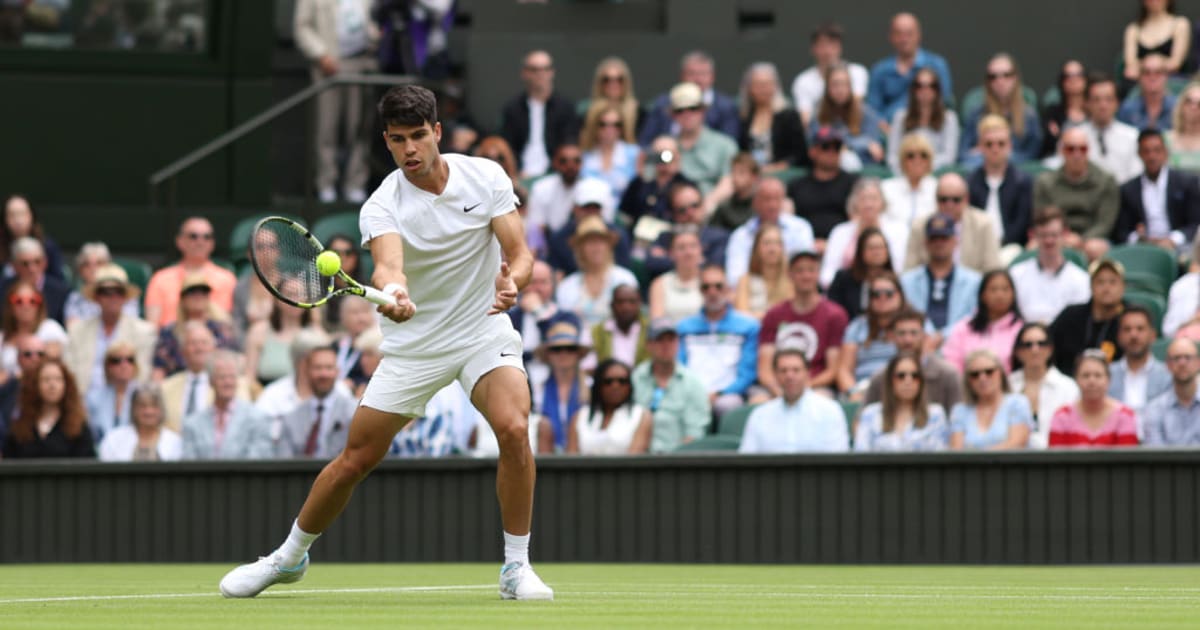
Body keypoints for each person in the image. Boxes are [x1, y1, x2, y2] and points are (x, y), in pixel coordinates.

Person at [220, 85, 554, 601]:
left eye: (419, 136)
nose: (410, 150)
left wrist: (515, 282)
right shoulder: (382, 205)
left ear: (437, 132)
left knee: (513, 427)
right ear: (387, 142)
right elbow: (390, 266)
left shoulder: (485, 176)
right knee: (356, 459)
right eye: (398, 140)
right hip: (415, 346)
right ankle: (288, 558)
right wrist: (393, 292)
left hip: (482, 330)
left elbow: (520, 252)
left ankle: (516, 568)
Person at [293, 0, 377, 203]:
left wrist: (377, 36)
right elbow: (302, 27)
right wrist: (321, 54)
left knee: (359, 127)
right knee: (326, 128)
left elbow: (376, 21)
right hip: (328, 67)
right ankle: (326, 184)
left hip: (362, 63)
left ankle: (355, 184)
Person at [757, 251, 848, 395]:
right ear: (790, 275)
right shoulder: (774, 315)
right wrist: (777, 389)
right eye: (800, 271)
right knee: (757, 401)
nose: (806, 276)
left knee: (823, 400)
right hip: (778, 387)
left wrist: (804, 389)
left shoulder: (835, 315)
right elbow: (765, 369)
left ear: (818, 274)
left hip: (816, 386)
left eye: (811, 270)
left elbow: (832, 370)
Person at [676, 264, 761, 417]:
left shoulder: (748, 326)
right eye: (706, 287)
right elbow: (679, 368)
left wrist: (721, 394)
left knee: (728, 406)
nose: (712, 292)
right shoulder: (684, 327)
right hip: (691, 393)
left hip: (728, 395)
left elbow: (747, 373)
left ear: (728, 289)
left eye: (718, 286)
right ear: (700, 291)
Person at [63, 264, 155, 396]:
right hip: (83, 401)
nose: (112, 298)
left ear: (125, 297)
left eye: (118, 292)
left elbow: (143, 376)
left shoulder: (144, 332)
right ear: (96, 297)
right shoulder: (77, 331)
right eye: (105, 292)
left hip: (128, 403)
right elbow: (70, 373)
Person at [1033, 127, 1120, 261]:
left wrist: (1081, 240)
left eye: (1082, 149)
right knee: (1033, 247)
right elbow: (1042, 218)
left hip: (1093, 238)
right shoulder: (1046, 182)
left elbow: (1105, 223)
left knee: (1094, 248)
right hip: (1054, 236)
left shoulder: (1105, 181)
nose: (1077, 154)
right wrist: (1062, 237)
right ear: (1062, 151)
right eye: (1070, 149)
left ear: (1088, 151)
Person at [738, 348, 848, 453]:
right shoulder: (759, 415)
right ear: (775, 374)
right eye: (783, 370)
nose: (790, 376)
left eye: (796, 370)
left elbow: (838, 459)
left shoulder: (830, 410)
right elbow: (746, 458)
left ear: (807, 372)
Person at [631, 318, 710, 452]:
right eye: (660, 340)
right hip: (637, 459)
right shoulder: (635, 378)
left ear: (678, 343)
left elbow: (695, 434)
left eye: (671, 339)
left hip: (679, 461)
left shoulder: (693, 383)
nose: (666, 345)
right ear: (648, 345)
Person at [899, 214, 982, 342]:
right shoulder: (907, 281)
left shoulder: (974, 280)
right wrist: (929, 336)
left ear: (955, 241)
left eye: (944, 238)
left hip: (960, 344)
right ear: (926, 242)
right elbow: (906, 314)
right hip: (918, 344)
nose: (939, 243)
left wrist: (943, 336)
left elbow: (973, 317)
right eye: (934, 238)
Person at [863, 307, 962, 413]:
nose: (907, 340)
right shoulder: (881, 377)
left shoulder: (948, 375)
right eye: (902, 333)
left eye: (913, 333)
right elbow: (861, 418)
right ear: (892, 337)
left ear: (924, 336)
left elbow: (958, 420)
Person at [1113, 129, 1200, 248]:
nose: (1152, 156)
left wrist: (1173, 239)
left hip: (1180, 246)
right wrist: (1138, 238)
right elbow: (1121, 231)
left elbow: (1195, 223)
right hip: (1143, 248)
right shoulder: (1128, 189)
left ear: (1165, 152)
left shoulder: (1186, 183)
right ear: (1139, 154)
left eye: (1157, 150)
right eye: (1146, 151)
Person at [143, 217, 237, 328]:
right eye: (193, 236)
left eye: (207, 237)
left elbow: (233, 324)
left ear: (213, 243)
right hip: (172, 341)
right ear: (180, 241)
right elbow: (151, 326)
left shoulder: (228, 279)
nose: (200, 242)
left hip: (216, 341)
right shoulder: (160, 279)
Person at [179, 351, 273, 460]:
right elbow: (189, 465)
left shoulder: (257, 419)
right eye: (222, 377)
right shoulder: (193, 424)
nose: (227, 382)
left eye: (232, 377)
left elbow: (258, 460)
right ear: (211, 381)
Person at [500, 49, 578, 178]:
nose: (540, 74)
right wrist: (514, 173)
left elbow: (568, 144)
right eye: (534, 70)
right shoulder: (513, 109)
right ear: (524, 73)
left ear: (552, 72)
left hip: (556, 176)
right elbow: (507, 146)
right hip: (518, 175)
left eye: (545, 69)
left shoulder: (565, 108)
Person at [726, 177, 815, 288]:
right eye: (766, 199)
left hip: (791, 292)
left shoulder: (801, 228)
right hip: (753, 293)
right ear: (754, 202)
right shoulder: (740, 235)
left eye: (777, 199)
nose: (772, 205)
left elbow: (806, 269)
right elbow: (734, 279)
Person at [1009, 206, 1092, 324]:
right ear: (1032, 235)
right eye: (1043, 235)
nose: (1049, 241)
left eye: (1054, 235)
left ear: (1065, 234)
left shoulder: (1081, 279)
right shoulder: (1016, 274)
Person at [638, 50, 740, 146]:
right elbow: (645, 142)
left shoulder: (726, 107)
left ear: (712, 76)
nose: (698, 79)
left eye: (703, 73)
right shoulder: (663, 103)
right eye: (692, 73)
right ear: (682, 76)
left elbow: (730, 144)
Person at [904, 173, 1001, 273]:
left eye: (956, 200)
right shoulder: (920, 226)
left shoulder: (983, 224)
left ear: (966, 199)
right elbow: (909, 270)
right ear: (936, 200)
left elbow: (992, 269)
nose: (949, 205)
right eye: (943, 199)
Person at [554, 215, 638, 328]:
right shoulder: (567, 286)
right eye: (590, 242)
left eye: (601, 242)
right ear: (580, 249)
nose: (596, 247)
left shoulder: (625, 279)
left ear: (608, 246)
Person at [866, 12, 954, 121]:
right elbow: (873, 111)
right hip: (888, 132)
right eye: (899, 34)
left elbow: (944, 102)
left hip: (928, 128)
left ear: (919, 35)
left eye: (909, 34)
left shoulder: (937, 65)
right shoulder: (880, 70)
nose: (904, 39)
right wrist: (886, 130)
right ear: (891, 36)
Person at [854, 352, 949, 452]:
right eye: (901, 376)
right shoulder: (870, 414)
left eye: (915, 376)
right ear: (890, 381)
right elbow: (861, 455)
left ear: (921, 381)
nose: (908, 381)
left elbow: (939, 457)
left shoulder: (935, 414)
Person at [822, 177, 906, 289]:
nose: (868, 204)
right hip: (847, 290)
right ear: (854, 203)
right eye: (863, 199)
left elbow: (900, 269)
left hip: (887, 291)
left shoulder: (898, 230)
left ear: (882, 202)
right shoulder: (840, 232)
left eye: (873, 198)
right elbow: (827, 273)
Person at [960, 53, 1041, 167]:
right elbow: (963, 154)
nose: (1000, 81)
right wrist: (985, 153)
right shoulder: (976, 115)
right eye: (993, 76)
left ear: (1015, 78)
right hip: (980, 170)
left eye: (1006, 75)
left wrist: (1006, 155)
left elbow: (1034, 155)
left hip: (1017, 173)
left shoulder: (1029, 115)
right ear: (987, 82)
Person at [277, 344, 358, 459]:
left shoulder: (355, 413)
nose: (323, 374)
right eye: (318, 368)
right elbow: (283, 462)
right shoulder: (291, 419)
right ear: (306, 371)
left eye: (329, 368)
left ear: (337, 371)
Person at [1, 358, 93, 458]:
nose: (52, 385)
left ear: (66, 385)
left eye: (58, 379)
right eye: (46, 379)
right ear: (35, 385)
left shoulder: (78, 427)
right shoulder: (20, 426)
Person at [966, 115, 1034, 250]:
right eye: (989, 144)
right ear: (980, 146)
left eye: (1001, 143)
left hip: (1012, 249)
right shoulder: (969, 183)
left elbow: (1022, 226)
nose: (995, 149)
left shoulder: (1023, 183)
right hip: (976, 249)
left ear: (1010, 146)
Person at [1008, 322, 1081, 450]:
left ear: (1050, 349)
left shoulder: (1068, 387)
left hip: (1058, 458)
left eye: (1041, 344)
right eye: (1028, 345)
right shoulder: (1007, 385)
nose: (1035, 350)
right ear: (1018, 351)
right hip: (1013, 458)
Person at [1050, 259, 1128, 373]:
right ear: (1091, 286)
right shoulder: (1070, 316)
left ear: (1123, 287)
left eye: (1112, 282)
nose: (1106, 288)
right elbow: (1047, 343)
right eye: (1100, 282)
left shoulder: (1130, 321)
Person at [1047, 350, 1140, 447]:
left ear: (1108, 380)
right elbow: (1055, 459)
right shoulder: (1062, 416)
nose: (1092, 381)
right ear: (1076, 379)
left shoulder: (1125, 416)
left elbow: (1128, 459)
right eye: (1085, 375)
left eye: (1098, 375)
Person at [151, 275, 237, 379]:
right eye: (192, 292)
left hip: (214, 384)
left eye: (203, 292)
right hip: (178, 386)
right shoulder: (170, 333)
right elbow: (159, 369)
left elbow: (232, 362)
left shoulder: (222, 330)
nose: (198, 296)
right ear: (183, 298)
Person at [786, 126, 858, 247]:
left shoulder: (853, 183)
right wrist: (808, 244)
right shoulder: (796, 186)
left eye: (837, 148)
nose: (832, 152)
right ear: (812, 151)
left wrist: (832, 245)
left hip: (843, 248)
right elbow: (789, 223)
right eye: (825, 147)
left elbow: (857, 222)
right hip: (803, 248)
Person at [835, 271, 905, 397]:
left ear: (900, 295)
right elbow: (844, 370)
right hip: (863, 390)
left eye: (889, 294)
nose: (882, 298)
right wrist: (854, 393)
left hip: (902, 388)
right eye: (876, 294)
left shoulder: (914, 323)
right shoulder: (857, 326)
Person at [545, 177, 631, 276]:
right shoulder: (559, 239)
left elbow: (623, 272)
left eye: (596, 208)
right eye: (586, 207)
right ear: (575, 208)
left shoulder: (619, 236)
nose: (591, 213)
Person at [949, 349, 1033, 450]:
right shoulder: (960, 411)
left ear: (1000, 373)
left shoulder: (1017, 403)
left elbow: (1016, 443)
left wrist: (978, 458)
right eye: (975, 374)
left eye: (989, 372)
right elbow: (956, 452)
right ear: (968, 380)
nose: (982, 378)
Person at [942, 270, 1024, 372]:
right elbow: (952, 364)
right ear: (982, 295)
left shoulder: (1022, 330)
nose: (1000, 295)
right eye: (993, 290)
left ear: (1013, 294)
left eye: (1005, 289)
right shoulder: (964, 328)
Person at [665, 81, 739, 194]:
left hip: (715, 208)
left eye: (693, 108)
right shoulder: (665, 146)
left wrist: (705, 208)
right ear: (673, 115)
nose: (687, 114)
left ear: (703, 111)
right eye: (679, 110)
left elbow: (728, 183)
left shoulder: (725, 145)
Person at [565, 359, 651, 455]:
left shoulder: (640, 415)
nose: (615, 386)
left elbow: (634, 457)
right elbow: (571, 456)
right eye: (608, 382)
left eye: (622, 381)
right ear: (598, 385)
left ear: (630, 386)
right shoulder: (580, 416)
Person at [737, 62, 809, 172]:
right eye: (758, 85)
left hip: (780, 173)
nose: (763, 90)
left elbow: (800, 154)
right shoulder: (743, 116)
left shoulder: (789, 116)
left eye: (768, 84)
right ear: (749, 88)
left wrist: (778, 167)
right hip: (750, 174)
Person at [791, 22, 869, 125]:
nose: (827, 51)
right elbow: (805, 119)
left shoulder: (858, 72)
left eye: (832, 45)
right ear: (813, 49)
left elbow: (856, 109)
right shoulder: (802, 81)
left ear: (840, 47)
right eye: (822, 45)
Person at [811, 63, 885, 168]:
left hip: (863, 168)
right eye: (835, 84)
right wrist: (861, 144)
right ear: (827, 87)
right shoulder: (818, 115)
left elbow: (875, 148)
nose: (840, 89)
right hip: (829, 167)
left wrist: (845, 145)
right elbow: (818, 146)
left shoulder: (866, 112)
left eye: (844, 84)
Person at [886, 67, 959, 172]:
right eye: (919, 86)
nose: (925, 91)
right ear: (913, 90)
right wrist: (907, 169)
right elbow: (892, 156)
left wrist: (922, 166)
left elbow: (949, 157)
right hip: (903, 176)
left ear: (937, 90)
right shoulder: (900, 117)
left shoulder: (949, 119)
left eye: (931, 86)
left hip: (936, 176)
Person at [532, 318, 589, 453]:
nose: (564, 354)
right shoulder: (536, 388)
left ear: (578, 354)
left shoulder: (590, 386)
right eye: (556, 349)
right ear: (548, 355)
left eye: (570, 349)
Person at [526, 143, 605, 238]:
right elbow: (536, 226)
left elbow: (605, 225)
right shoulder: (541, 188)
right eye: (563, 161)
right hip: (551, 242)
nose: (570, 166)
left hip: (588, 239)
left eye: (576, 161)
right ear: (554, 163)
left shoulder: (597, 188)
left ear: (582, 163)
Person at [244, 293, 323, 385]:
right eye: (289, 294)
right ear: (277, 299)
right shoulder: (259, 331)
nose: (295, 299)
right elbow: (249, 376)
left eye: (300, 294)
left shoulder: (318, 336)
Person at [1108, 305, 1171, 419]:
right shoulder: (1107, 375)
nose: (1134, 335)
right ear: (1119, 336)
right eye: (1127, 329)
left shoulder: (1168, 375)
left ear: (1153, 335)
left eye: (1140, 329)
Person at [619, 136, 694, 226]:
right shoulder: (640, 183)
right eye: (658, 155)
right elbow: (624, 214)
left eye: (667, 155)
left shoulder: (686, 185)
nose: (663, 159)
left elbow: (691, 216)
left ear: (677, 155)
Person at [97, 383, 182, 462]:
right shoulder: (113, 439)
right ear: (133, 409)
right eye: (142, 406)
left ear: (161, 409)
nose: (148, 411)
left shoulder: (175, 442)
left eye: (154, 405)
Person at [1081, 75, 1142, 184]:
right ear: (1087, 103)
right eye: (1096, 100)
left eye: (1109, 99)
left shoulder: (1133, 137)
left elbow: (1136, 176)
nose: (1103, 105)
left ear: (1117, 103)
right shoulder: (1075, 137)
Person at [63, 242, 139, 328]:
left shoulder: (125, 293)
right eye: (87, 264)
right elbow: (74, 330)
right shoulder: (75, 299)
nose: (93, 269)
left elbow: (130, 327)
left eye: (99, 263)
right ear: (80, 270)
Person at [0, 280, 66, 376]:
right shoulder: (2, 338)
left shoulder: (50, 329)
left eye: (33, 301)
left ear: (40, 304)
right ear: (10, 306)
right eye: (18, 301)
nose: (26, 306)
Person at [826, 227, 895, 320]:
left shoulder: (895, 281)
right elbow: (832, 309)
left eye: (880, 247)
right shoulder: (844, 279)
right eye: (871, 248)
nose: (877, 252)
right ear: (861, 251)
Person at [1142, 336, 1200, 445]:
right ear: (1167, 365)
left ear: (1198, 363)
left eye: (1188, 357)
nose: (1182, 363)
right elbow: (1156, 456)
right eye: (1177, 358)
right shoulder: (1154, 409)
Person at [0, 237, 68, 325]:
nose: (32, 268)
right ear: (14, 266)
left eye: (37, 262)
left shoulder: (62, 292)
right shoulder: (3, 288)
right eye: (25, 263)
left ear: (45, 262)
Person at [579, 104, 641, 200]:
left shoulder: (635, 154)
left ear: (622, 127)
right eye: (603, 124)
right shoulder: (583, 155)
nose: (610, 130)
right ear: (594, 126)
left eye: (616, 125)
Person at [82, 341, 140, 443]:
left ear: (135, 366)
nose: (124, 365)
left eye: (130, 360)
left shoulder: (144, 397)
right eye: (116, 361)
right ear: (107, 366)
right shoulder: (93, 398)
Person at [733, 223, 793, 320]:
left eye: (777, 243)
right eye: (767, 243)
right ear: (756, 248)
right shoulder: (745, 280)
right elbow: (742, 317)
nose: (772, 249)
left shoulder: (791, 280)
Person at [1121, 0, 1192, 82]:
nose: (1154, 1)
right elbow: (1131, 65)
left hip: (1172, 83)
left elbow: (1175, 63)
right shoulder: (1133, 29)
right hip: (1140, 84)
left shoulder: (1180, 24)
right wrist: (1161, 63)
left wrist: (1146, 66)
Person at [0, 195, 64, 283]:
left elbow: (59, 282)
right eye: (12, 215)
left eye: (22, 214)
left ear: (31, 216)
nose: (18, 220)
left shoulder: (48, 246)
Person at [880, 133, 937, 230]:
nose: (917, 160)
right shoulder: (886, 188)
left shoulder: (938, 188)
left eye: (923, 155)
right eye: (910, 156)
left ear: (929, 160)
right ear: (902, 160)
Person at [578, 56, 644, 139]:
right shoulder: (587, 111)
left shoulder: (639, 113)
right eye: (607, 79)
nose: (613, 84)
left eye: (619, 79)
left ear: (626, 82)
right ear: (599, 83)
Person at [647, 227, 703, 324]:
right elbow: (657, 322)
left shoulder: (712, 282)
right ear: (671, 253)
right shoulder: (660, 283)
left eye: (693, 246)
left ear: (701, 250)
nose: (688, 252)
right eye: (681, 248)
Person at [588, 283, 648, 370]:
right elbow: (589, 367)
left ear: (639, 304)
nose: (626, 307)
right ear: (612, 305)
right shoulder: (597, 332)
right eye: (620, 302)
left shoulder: (650, 331)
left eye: (632, 302)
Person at [1039, 60, 1089, 158]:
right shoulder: (1052, 114)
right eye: (1068, 76)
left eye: (1078, 75)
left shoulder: (1094, 111)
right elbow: (1047, 146)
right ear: (1062, 82)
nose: (1074, 80)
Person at [1119, 54, 1177, 131]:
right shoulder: (1127, 109)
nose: (1152, 77)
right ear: (1139, 77)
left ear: (1166, 76)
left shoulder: (1177, 108)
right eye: (1146, 72)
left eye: (1158, 72)